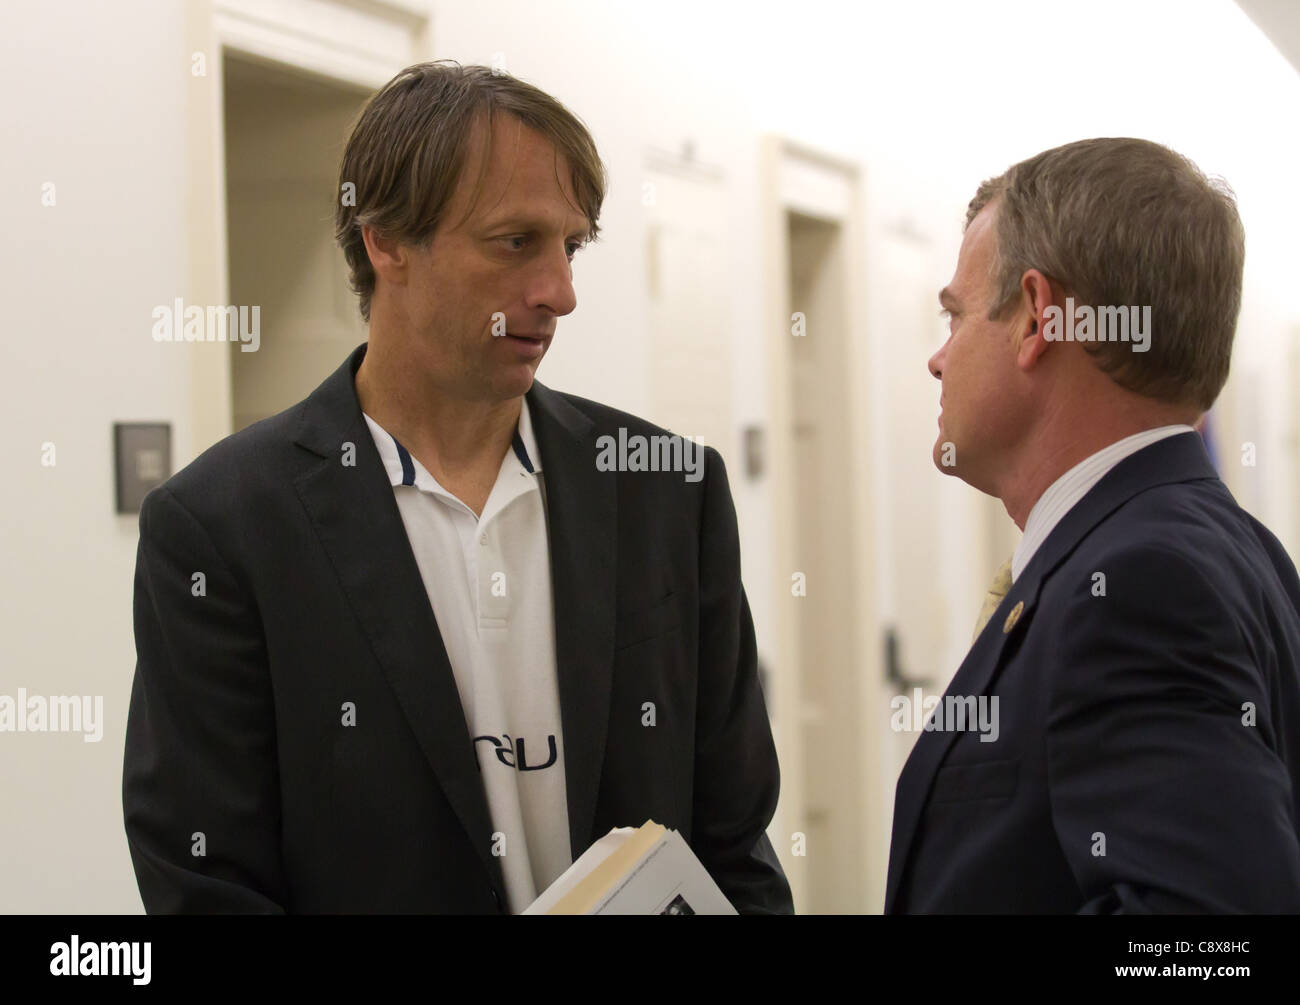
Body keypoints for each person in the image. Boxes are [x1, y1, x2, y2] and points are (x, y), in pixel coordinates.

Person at [123, 61, 792, 915]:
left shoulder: (668, 491)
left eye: (571, 245)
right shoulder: (223, 529)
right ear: (385, 240)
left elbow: (734, 846)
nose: (561, 292)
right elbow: (204, 885)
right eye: (516, 243)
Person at [885, 137, 1300, 913]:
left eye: (956, 315)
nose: (938, 360)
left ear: (1037, 318)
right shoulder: (1232, 545)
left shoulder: (1141, 583)